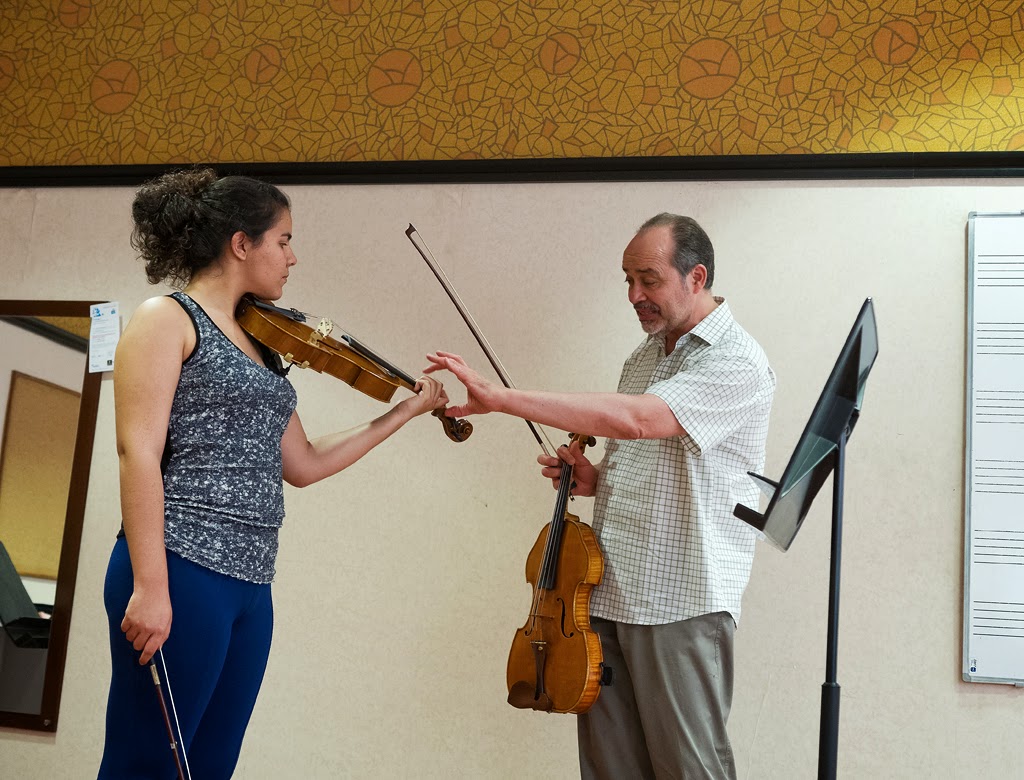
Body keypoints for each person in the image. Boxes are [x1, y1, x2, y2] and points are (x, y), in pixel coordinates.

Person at [99, 168, 448, 778]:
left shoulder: (263, 344)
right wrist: (151, 586)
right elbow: (138, 452)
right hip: (180, 564)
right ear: (241, 243)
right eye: (283, 240)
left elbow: (303, 463)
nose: (292, 257)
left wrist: (403, 412)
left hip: (251, 581)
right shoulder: (167, 318)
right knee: (147, 762)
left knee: (212, 764)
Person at [425, 213, 775, 779]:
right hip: (606, 596)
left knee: (689, 770)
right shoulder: (644, 356)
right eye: (628, 280)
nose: (634, 295)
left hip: (680, 603)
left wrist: (506, 399)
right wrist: (598, 479)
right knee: (611, 770)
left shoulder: (734, 360)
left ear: (696, 277)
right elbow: (648, 452)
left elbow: (639, 421)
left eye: (649, 280)